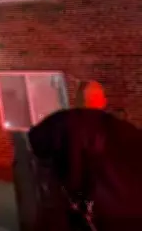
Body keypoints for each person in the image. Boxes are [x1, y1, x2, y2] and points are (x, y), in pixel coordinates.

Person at [29, 80, 142, 231]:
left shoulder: (61, 121)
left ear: (78, 100)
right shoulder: (123, 128)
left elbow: (35, 144)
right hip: (127, 212)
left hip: (84, 213)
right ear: (103, 102)